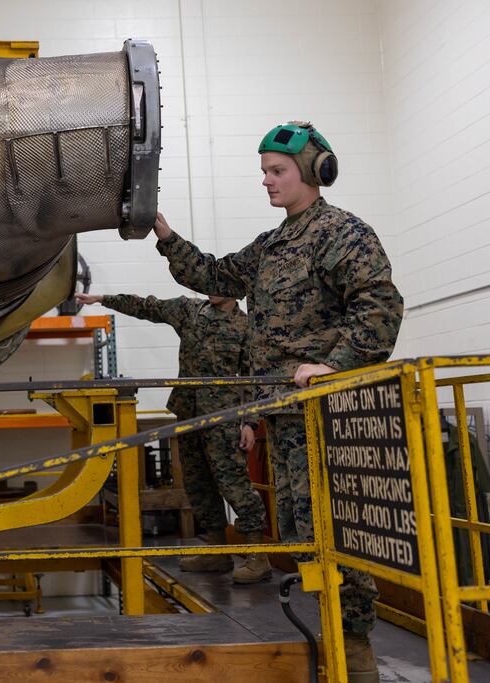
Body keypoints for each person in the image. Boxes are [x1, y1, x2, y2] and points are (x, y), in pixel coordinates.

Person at [151, 121, 403, 682]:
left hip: (329, 414)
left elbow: (380, 305)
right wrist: (164, 234)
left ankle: (355, 647)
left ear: (315, 171)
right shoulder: (272, 245)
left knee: (333, 528)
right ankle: (333, 637)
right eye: (264, 171)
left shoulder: (341, 233)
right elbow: (215, 274)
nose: (266, 180)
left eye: (277, 170)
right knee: (299, 531)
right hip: (286, 414)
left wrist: (336, 365)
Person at [76, 291, 270, 584]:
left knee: (233, 484)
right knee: (197, 483)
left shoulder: (246, 327)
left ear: (235, 289)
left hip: (225, 418)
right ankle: (217, 551)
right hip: (189, 414)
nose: (209, 288)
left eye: (216, 283)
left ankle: (258, 556)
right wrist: (102, 298)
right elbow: (147, 305)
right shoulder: (189, 311)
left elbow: (254, 377)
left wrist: (250, 423)